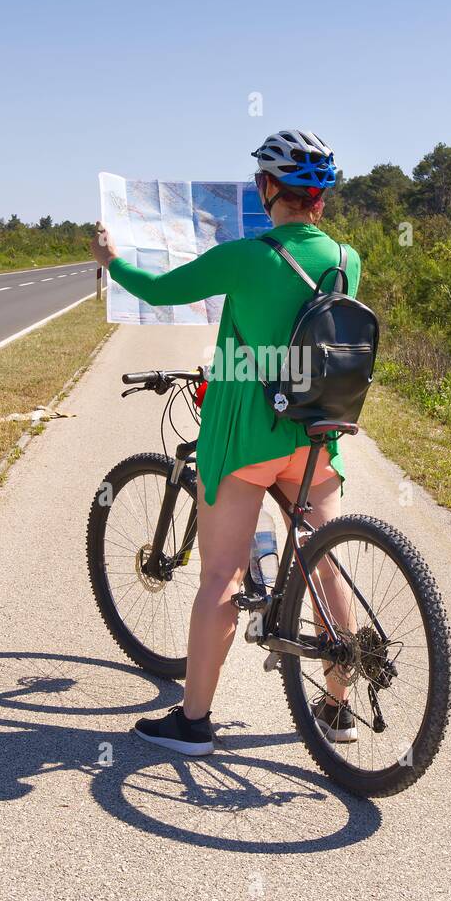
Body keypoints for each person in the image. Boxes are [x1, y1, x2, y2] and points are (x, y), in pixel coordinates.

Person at [90, 130, 362, 756]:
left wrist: (112, 261)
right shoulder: (347, 258)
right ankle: (338, 706)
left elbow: (158, 290)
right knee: (325, 562)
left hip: (248, 435)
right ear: (319, 195)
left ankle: (193, 724)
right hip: (317, 432)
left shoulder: (248, 255)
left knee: (219, 575)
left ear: (269, 188)